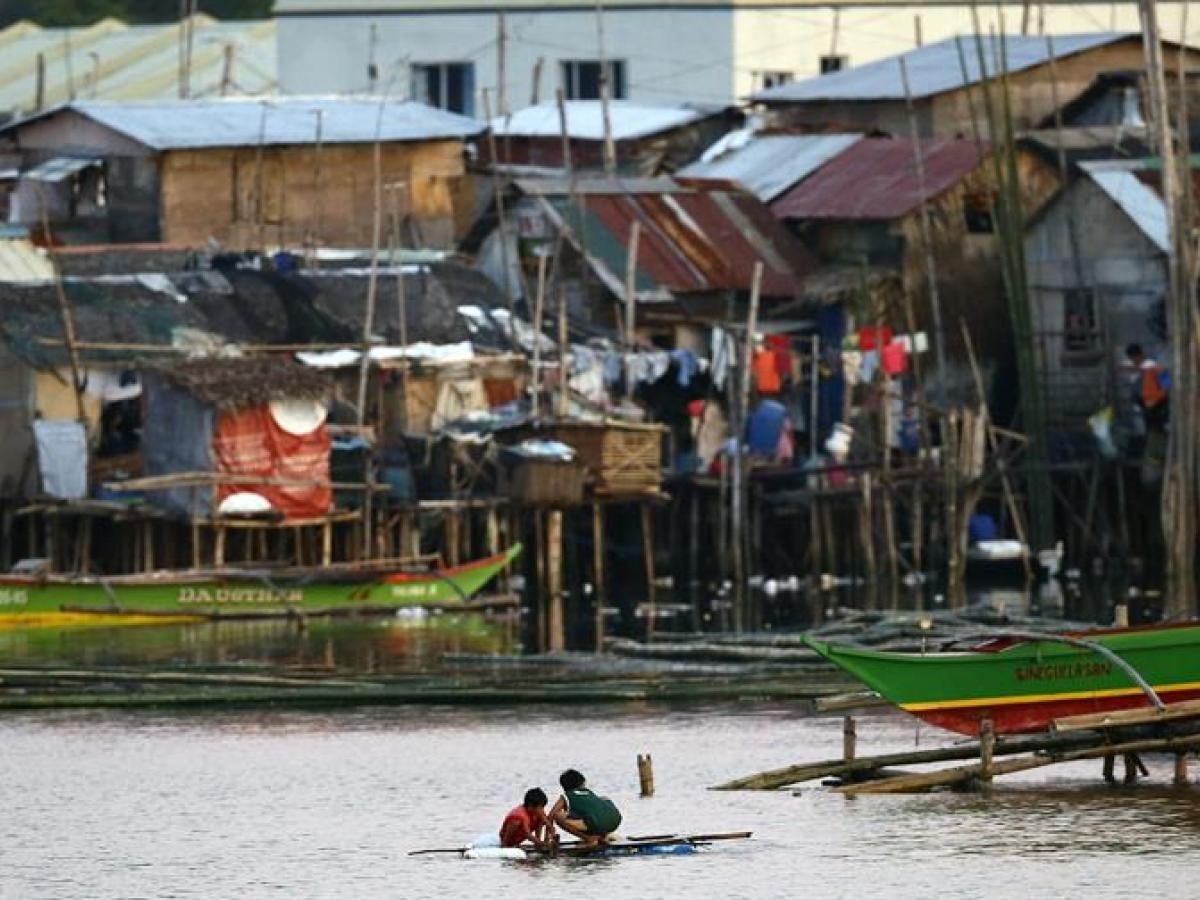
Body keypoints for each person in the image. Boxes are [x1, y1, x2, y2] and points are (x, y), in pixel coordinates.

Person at [548, 769, 622, 844]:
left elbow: (551, 816)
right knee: (603, 799)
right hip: (615, 820)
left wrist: (548, 838)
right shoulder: (588, 792)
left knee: (558, 816)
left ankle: (588, 838)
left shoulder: (566, 796)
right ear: (582, 783)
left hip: (595, 823)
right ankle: (602, 836)